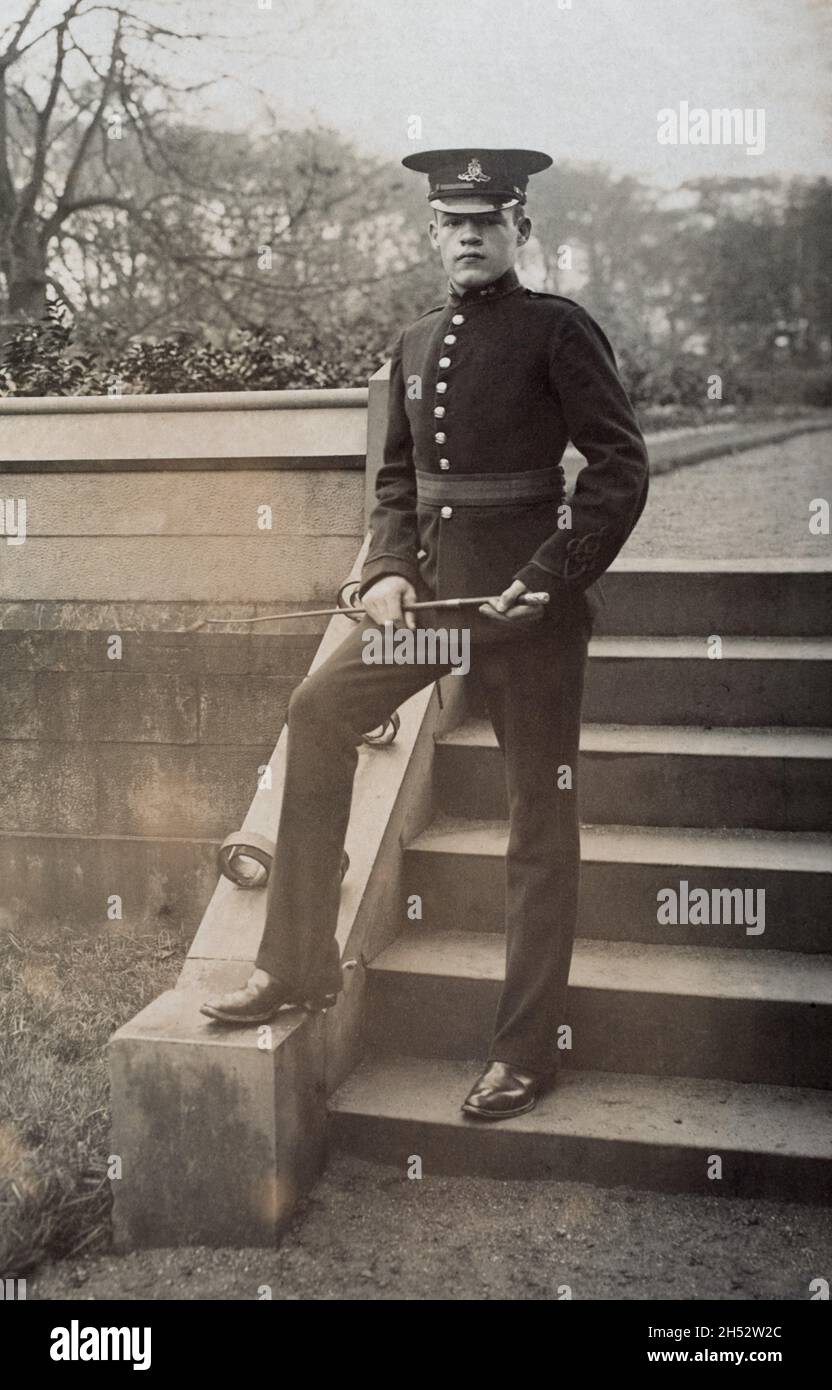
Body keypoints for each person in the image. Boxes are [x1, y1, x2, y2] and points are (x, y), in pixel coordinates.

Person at [201, 147, 650, 1120]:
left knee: (538, 814)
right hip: (439, 621)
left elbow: (617, 468)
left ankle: (525, 1050)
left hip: (527, 620)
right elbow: (395, 484)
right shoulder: (411, 344)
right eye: (453, 223)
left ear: (517, 229)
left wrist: (549, 577)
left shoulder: (559, 330)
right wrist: (390, 570)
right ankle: (296, 964)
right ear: (432, 234)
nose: (469, 237)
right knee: (319, 708)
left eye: (487, 221)